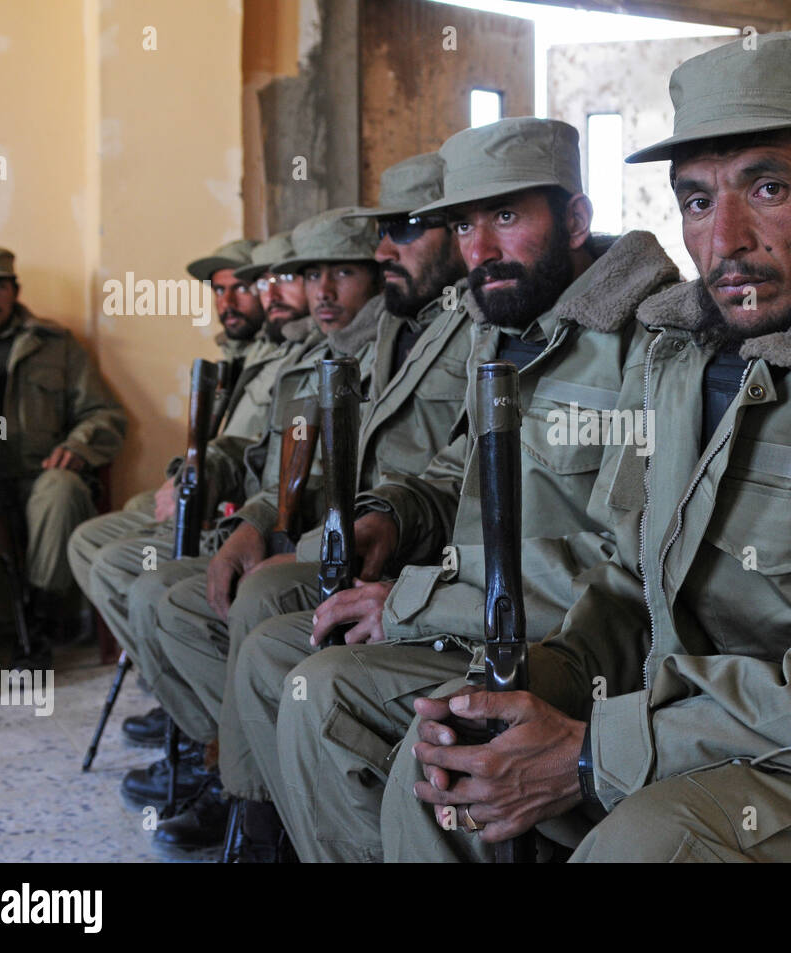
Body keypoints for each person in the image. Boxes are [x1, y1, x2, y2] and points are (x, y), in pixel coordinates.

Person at [381, 31, 791, 862]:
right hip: (669, 726)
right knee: (442, 776)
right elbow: (631, 580)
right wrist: (552, 679)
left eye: (769, 187)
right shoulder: (682, 350)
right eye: (698, 201)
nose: (726, 239)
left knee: (645, 847)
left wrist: (606, 746)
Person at [253, 117, 680, 861]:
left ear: (575, 219)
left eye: (507, 217)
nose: (479, 250)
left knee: (331, 693)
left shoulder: (648, 348)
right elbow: (461, 466)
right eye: (463, 225)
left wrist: (413, 600)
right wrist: (390, 516)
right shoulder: (503, 327)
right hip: (474, 614)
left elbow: (624, 564)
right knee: (275, 653)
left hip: (564, 646)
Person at [147, 153, 473, 859]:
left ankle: (262, 813)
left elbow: (457, 476)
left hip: (427, 562)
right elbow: (329, 460)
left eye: (409, 228)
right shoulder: (403, 327)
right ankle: (257, 803)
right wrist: (255, 518)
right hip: (374, 531)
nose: (385, 249)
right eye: (385, 230)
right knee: (186, 594)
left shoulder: (480, 326)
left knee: (266, 607)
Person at [120, 207, 390, 856]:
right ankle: (228, 766)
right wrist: (249, 518)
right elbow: (277, 462)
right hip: (302, 526)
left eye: (341, 273)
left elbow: (399, 476)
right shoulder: (316, 355)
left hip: (371, 544)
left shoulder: (399, 348)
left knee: (260, 601)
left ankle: (251, 805)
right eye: (307, 274)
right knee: (154, 590)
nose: (317, 291)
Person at [67, 237, 299, 746]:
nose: (228, 302)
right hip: (226, 497)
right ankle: (172, 688)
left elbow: (259, 455)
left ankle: (207, 735)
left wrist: (212, 487)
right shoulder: (241, 354)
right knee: (101, 531)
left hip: (244, 512)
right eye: (219, 292)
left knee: (120, 564)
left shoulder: (291, 353)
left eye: (244, 287)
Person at [0, 246, 126, 667]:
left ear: (15, 290)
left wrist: (77, 447)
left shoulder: (56, 344)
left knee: (62, 490)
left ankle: (41, 619)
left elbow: (103, 413)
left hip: (38, 469)